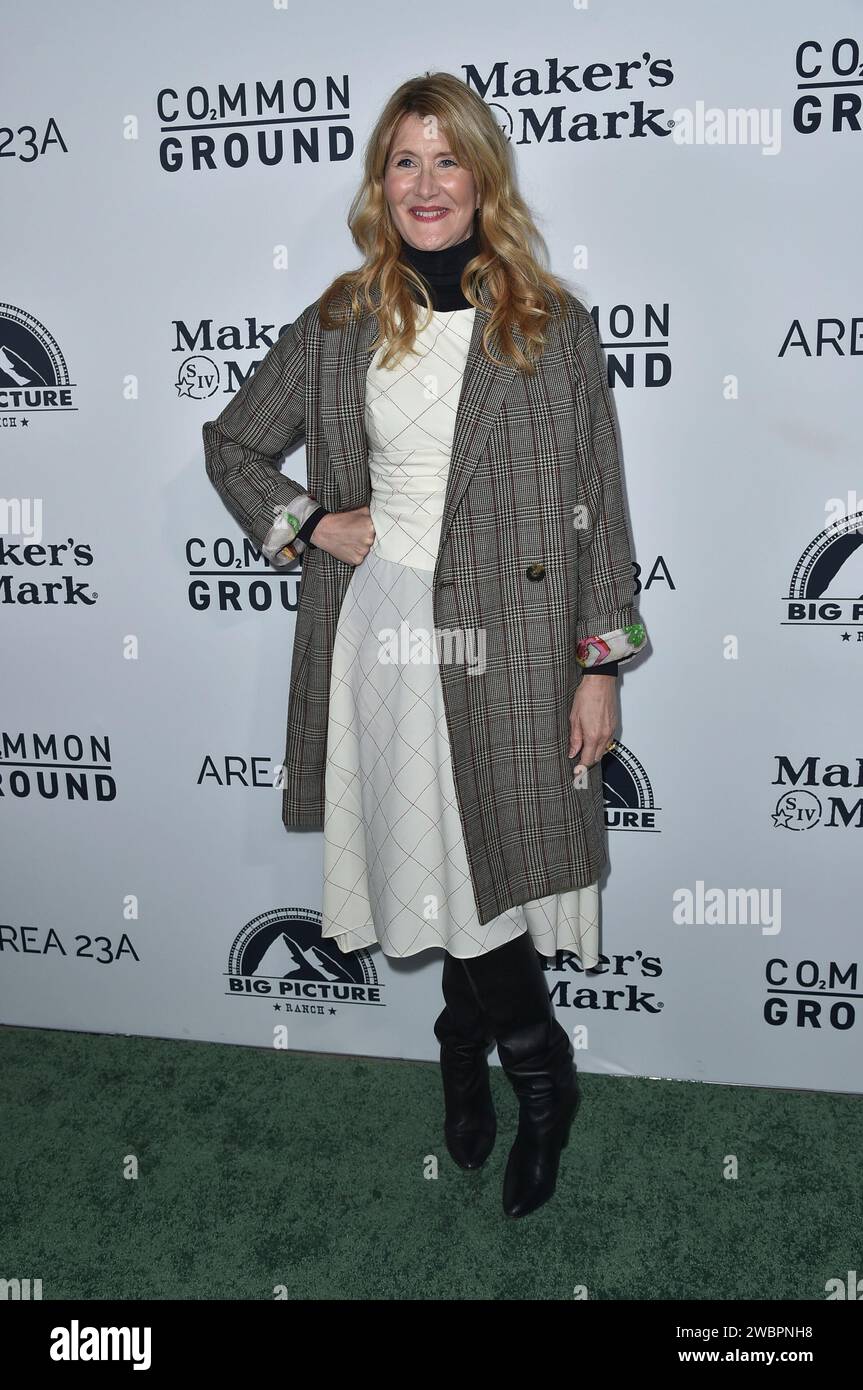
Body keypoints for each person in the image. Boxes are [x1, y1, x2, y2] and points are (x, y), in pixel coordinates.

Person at [203, 72, 649, 1219]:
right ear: (379, 184)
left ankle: (527, 1080)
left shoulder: (550, 323)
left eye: (446, 159)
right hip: (389, 636)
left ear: (482, 175)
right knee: (443, 869)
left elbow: (598, 503)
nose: (425, 183)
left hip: (515, 642)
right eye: (403, 162)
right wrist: (311, 522)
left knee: (482, 876)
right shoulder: (344, 319)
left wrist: (597, 664)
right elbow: (231, 445)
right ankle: (487, 1063)